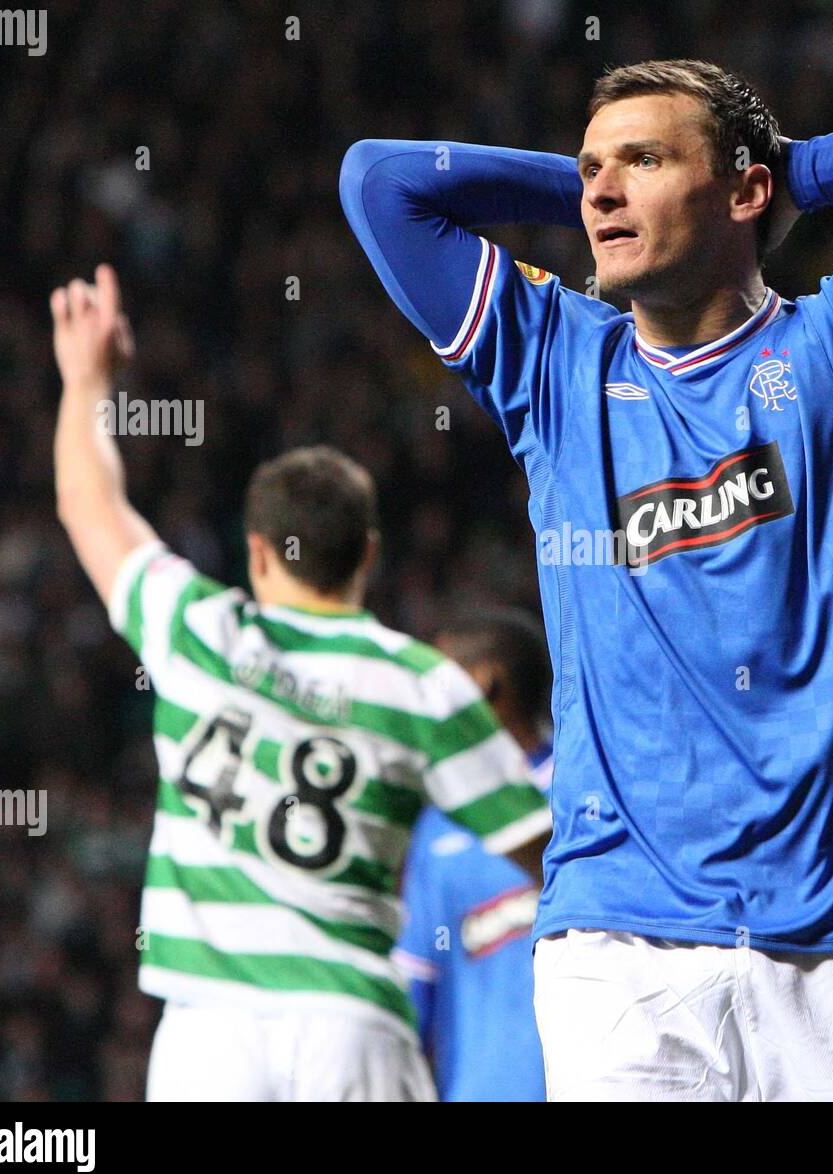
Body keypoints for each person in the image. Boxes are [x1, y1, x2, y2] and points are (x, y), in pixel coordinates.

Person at [340, 58, 833, 1100]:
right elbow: (379, 180)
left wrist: (786, 171)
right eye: (590, 171)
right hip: (620, 949)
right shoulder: (555, 368)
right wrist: (612, 185)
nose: (602, 190)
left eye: (644, 161)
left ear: (746, 192)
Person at [50, 265, 548, 1101]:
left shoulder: (196, 631)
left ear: (254, 552)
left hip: (208, 1033)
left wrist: (87, 380)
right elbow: (547, 854)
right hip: (352, 1028)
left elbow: (87, 503)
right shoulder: (423, 687)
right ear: (368, 556)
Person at [396, 609, 553, 1101]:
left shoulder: (587, 787)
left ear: (487, 683)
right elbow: (415, 985)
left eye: (439, 681)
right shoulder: (438, 826)